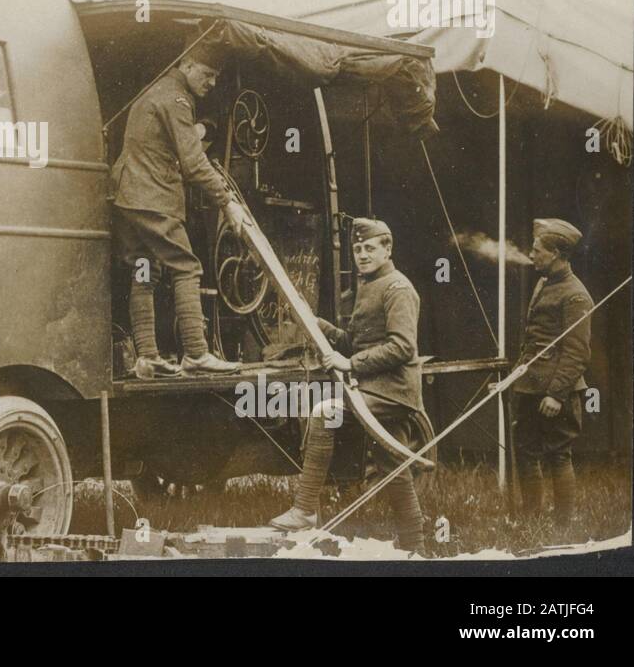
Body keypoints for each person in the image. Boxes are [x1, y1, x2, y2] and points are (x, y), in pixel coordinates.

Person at [269, 218, 428, 554]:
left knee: (325, 413)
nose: (362, 255)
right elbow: (354, 342)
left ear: (388, 248)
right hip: (373, 388)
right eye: (357, 249)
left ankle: (305, 509)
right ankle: (417, 548)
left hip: (393, 390)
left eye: (370, 248)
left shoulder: (398, 288)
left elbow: (403, 347)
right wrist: (319, 325)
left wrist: (350, 364)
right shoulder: (367, 286)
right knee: (394, 468)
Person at [111, 39, 247, 379]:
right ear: (187, 65)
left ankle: (148, 357)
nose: (212, 82)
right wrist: (227, 201)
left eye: (216, 76)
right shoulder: (176, 98)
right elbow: (193, 163)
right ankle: (197, 355)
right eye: (207, 73)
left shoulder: (156, 93)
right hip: (153, 196)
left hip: (128, 196)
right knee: (187, 267)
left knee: (144, 268)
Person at [511, 218, 593, 532]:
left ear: (557, 253)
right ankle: (531, 519)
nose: (532, 256)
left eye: (537, 251)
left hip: (555, 392)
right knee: (527, 452)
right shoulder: (543, 283)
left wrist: (556, 394)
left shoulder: (575, 295)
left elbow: (577, 353)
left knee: (558, 454)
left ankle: (564, 525)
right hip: (531, 386)